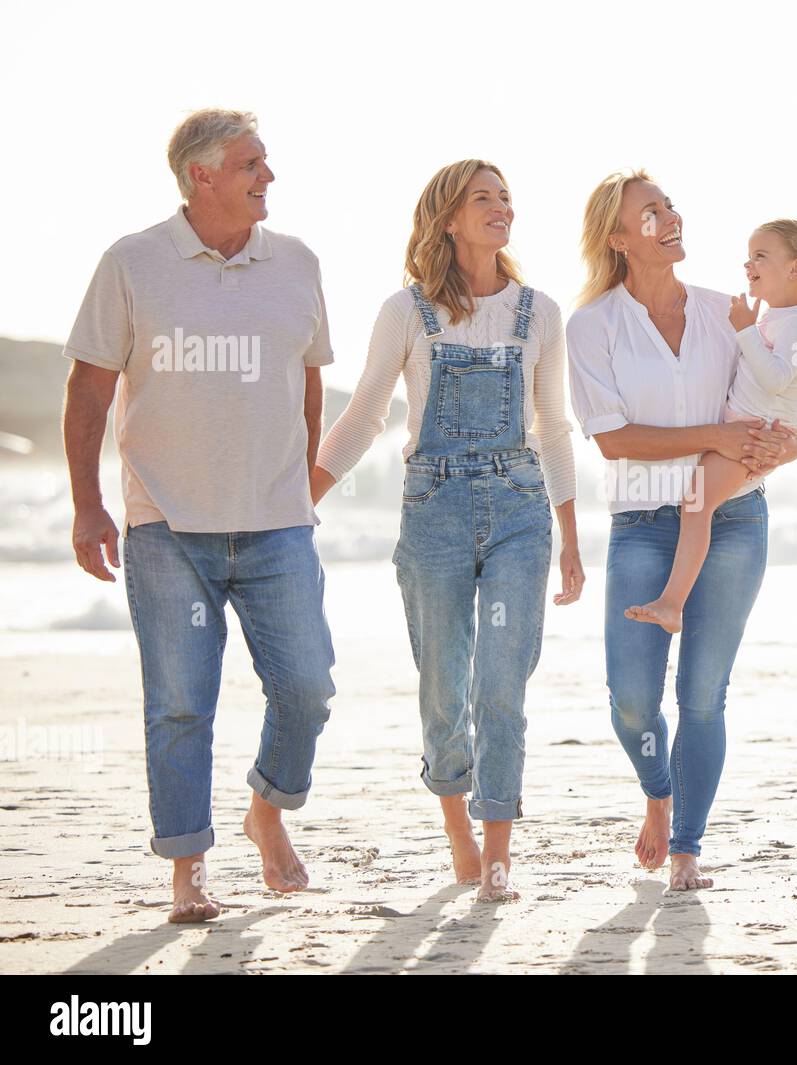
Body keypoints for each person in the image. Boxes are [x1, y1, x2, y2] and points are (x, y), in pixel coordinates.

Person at [62, 109, 336, 922]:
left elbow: (310, 382)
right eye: (252, 163)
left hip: (277, 523)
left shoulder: (298, 263)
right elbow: (88, 389)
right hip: (165, 528)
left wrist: (303, 488)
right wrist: (87, 504)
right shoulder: (133, 262)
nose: (269, 176)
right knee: (180, 701)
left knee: (308, 687)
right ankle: (188, 871)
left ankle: (267, 808)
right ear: (201, 175)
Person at [311, 160, 582, 902]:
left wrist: (572, 542)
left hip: (521, 508)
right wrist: (304, 495)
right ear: (449, 218)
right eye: (482, 198)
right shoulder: (407, 312)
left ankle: (497, 851)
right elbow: (366, 413)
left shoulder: (541, 311)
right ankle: (456, 824)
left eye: (506, 197)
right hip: (433, 510)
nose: (501, 208)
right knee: (442, 683)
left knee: (502, 682)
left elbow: (554, 427)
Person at [567, 170, 797, 891]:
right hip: (640, 524)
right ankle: (658, 792)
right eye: (650, 212)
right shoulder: (592, 326)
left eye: (668, 206)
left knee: (703, 694)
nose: (670, 217)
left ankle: (687, 849)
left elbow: (779, 404)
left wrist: (781, 445)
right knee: (632, 699)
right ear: (617, 237)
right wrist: (718, 437)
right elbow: (612, 438)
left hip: (733, 519)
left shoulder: (727, 312)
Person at [626, 218, 797, 633]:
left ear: (795, 269)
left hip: (755, 437)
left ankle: (672, 603)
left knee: (697, 503)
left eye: (760, 256)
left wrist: (745, 331)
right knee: (697, 504)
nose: (748, 264)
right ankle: (674, 602)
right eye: (748, 256)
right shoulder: (775, 320)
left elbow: (776, 378)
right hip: (746, 431)